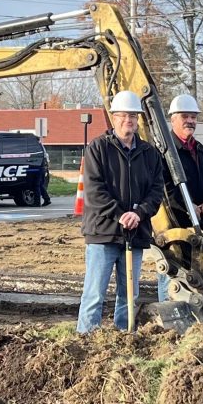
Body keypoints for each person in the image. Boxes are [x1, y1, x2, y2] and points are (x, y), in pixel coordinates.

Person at [77, 91, 163, 333]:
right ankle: (86, 339)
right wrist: (120, 215)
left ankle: (125, 335)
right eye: (124, 115)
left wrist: (139, 214)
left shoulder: (149, 153)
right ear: (113, 118)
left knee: (129, 295)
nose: (129, 120)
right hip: (103, 233)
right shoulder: (98, 149)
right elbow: (95, 191)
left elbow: (157, 191)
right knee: (95, 293)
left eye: (133, 116)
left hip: (135, 234)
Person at [156, 92, 203, 302]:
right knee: (172, 277)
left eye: (193, 117)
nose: (190, 121)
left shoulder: (200, 151)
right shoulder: (165, 153)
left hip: (197, 226)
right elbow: (164, 188)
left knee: (197, 275)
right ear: (173, 119)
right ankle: (170, 318)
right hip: (173, 225)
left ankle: (192, 318)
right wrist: (187, 206)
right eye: (185, 116)